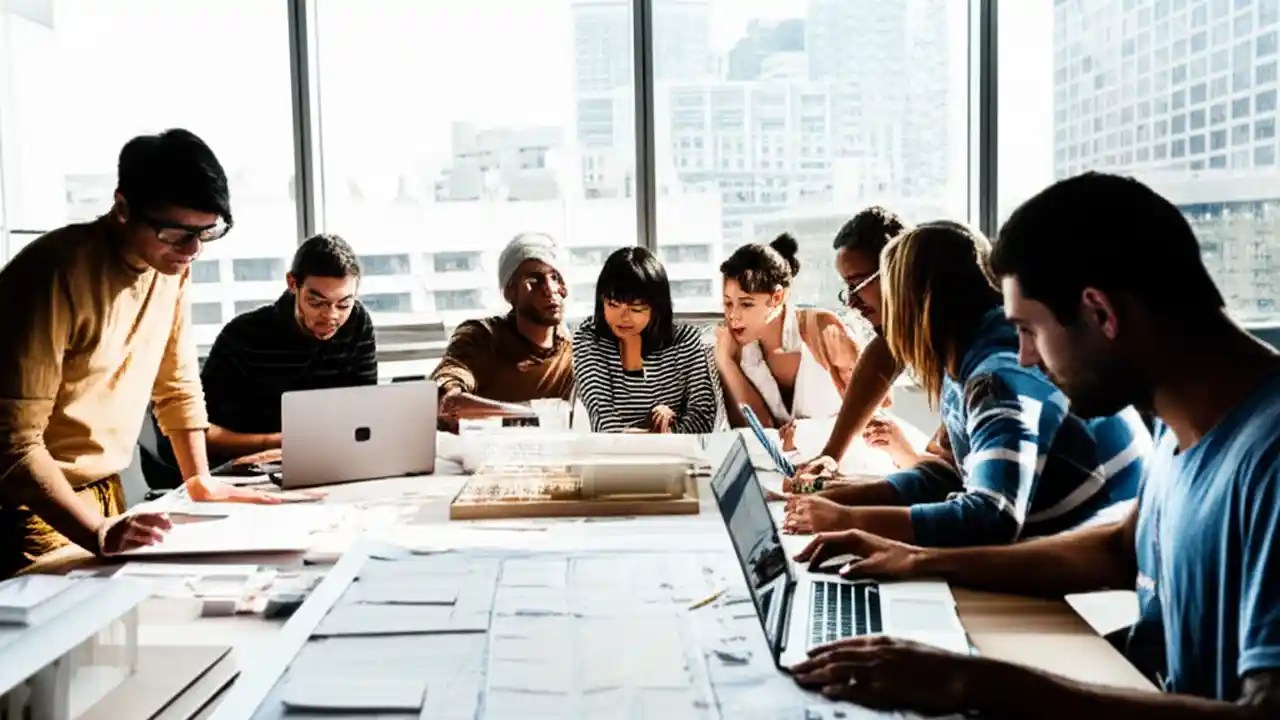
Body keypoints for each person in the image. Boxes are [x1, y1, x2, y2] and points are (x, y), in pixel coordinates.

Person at [790, 173, 1280, 717]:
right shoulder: (1184, 418)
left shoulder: (1269, 456)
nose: (1024, 357)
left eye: (1028, 330)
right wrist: (917, 560)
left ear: (1100, 313)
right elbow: (1121, 549)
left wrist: (974, 684)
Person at [0, 129, 269, 578]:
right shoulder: (51, 273)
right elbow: (13, 444)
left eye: (207, 232)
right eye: (176, 233)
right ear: (122, 208)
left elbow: (178, 384)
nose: (193, 250)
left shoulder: (170, 268)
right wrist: (99, 531)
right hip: (31, 505)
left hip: (106, 494)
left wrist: (199, 482)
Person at [784, 221, 1148, 545]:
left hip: (1098, 569)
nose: (858, 307)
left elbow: (991, 516)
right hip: (1059, 544)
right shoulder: (962, 361)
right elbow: (951, 476)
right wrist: (840, 499)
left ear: (918, 302)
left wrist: (851, 520)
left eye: (884, 295)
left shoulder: (995, 376)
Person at [200, 234, 377, 465]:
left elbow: (365, 409)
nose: (331, 315)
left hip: (332, 460)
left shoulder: (357, 322)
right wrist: (278, 442)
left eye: (343, 303)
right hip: (251, 466)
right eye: (317, 302)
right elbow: (202, 434)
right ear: (293, 284)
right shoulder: (243, 336)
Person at [790, 207, 916, 478]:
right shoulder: (900, 336)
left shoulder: (973, 362)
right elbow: (883, 353)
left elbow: (959, 485)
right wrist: (830, 457)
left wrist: (850, 504)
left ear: (898, 273)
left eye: (857, 284)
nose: (851, 301)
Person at [715, 234, 862, 448]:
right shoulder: (735, 349)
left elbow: (874, 407)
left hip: (849, 457)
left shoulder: (822, 328)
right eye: (728, 304)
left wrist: (806, 435)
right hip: (784, 469)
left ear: (778, 298)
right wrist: (726, 362)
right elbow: (758, 432)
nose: (733, 316)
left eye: (746, 304)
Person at [431, 232, 573, 427]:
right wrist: (532, 417)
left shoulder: (574, 352)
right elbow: (448, 402)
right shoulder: (481, 338)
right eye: (533, 280)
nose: (549, 289)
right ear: (510, 291)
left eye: (555, 277)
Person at [572, 247, 720, 433]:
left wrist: (665, 434)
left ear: (656, 307)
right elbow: (602, 418)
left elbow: (702, 415)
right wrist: (654, 432)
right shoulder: (590, 338)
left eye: (636, 308)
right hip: (613, 456)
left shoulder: (686, 340)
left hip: (676, 456)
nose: (623, 317)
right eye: (613, 305)